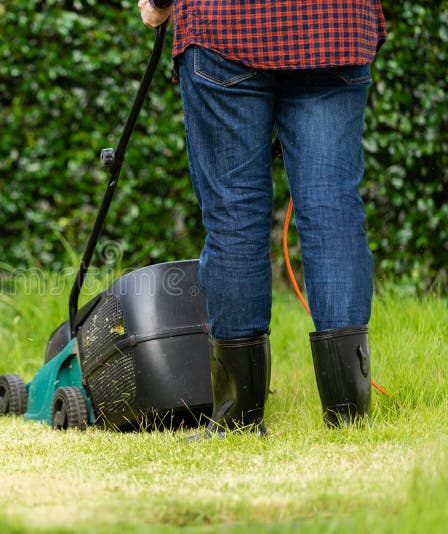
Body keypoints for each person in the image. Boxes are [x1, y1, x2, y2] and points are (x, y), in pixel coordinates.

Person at [136, 0, 386, 435]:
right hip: (335, 24)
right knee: (333, 210)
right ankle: (349, 416)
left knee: (234, 214)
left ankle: (238, 420)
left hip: (227, 25)